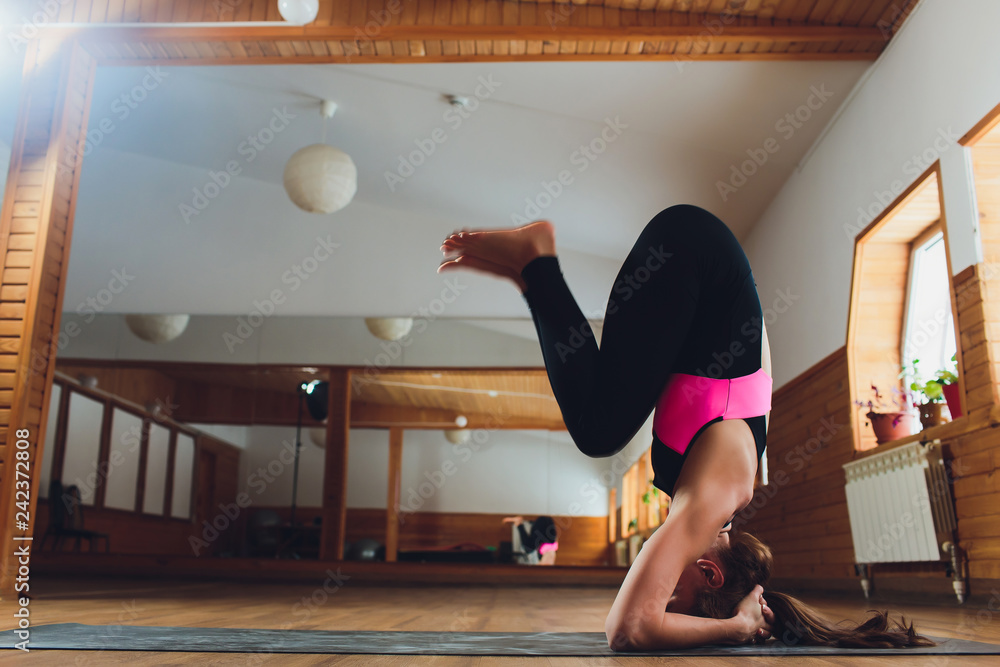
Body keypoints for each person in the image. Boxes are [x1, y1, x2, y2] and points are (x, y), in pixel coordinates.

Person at [439, 205, 932, 651]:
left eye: (667, 602)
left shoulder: (721, 487)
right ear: (710, 575)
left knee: (602, 421)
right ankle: (535, 263)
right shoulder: (712, 502)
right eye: (678, 600)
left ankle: (533, 270)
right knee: (598, 433)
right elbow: (629, 628)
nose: (664, 593)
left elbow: (753, 364)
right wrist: (735, 628)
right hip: (695, 256)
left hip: (697, 260)